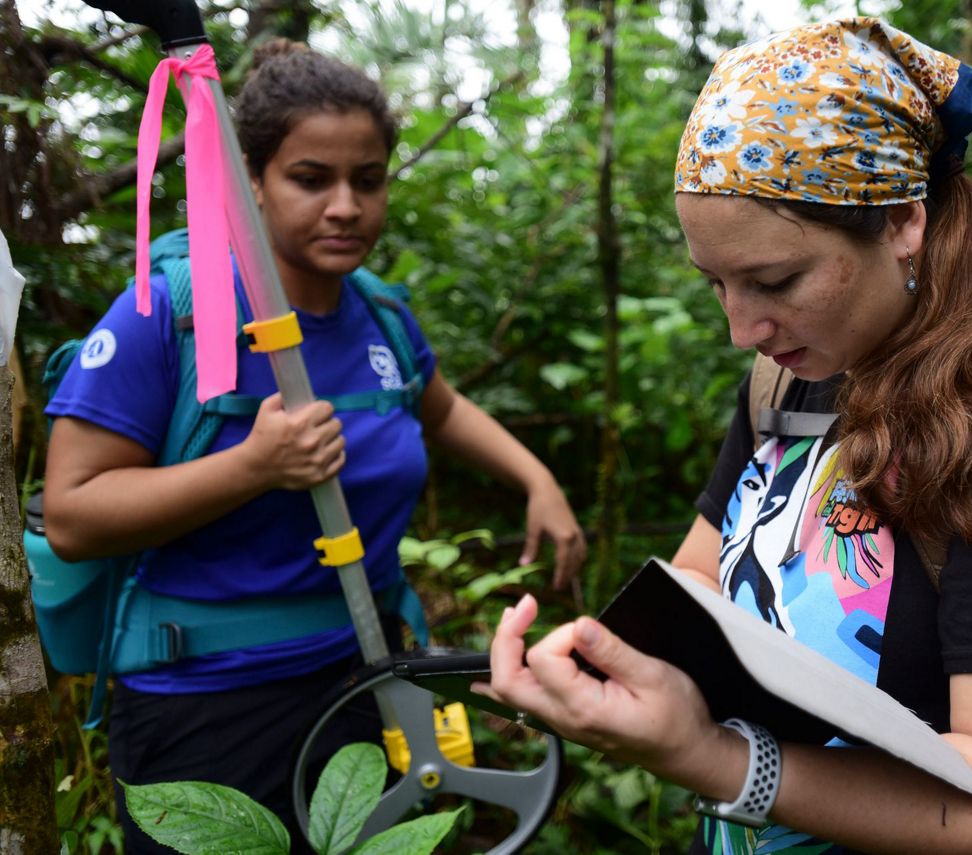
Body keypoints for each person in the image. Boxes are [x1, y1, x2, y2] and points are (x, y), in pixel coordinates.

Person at [477, 18, 972, 854]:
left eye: (775, 280)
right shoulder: (796, 369)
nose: (743, 327)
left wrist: (720, 760)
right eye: (717, 284)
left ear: (900, 223)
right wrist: (604, 666)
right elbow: (701, 585)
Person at [42, 40, 585, 852]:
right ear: (251, 180)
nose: (345, 206)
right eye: (311, 178)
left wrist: (537, 478)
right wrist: (253, 467)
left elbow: (436, 407)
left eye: (368, 180)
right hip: (203, 709)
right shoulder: (172, 312)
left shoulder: (379, 318)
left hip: (364, 682)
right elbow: (74, 515)